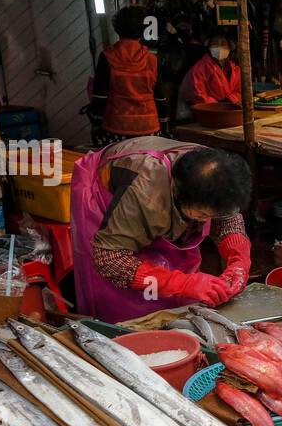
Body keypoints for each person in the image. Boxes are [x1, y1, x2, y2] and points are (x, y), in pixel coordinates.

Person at [70, 137, 253, 323]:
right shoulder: (146, 191)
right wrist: (183, 283)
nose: (206, 221)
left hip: (154, 198)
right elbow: (110, 259)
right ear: (179, 193)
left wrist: (239, 259)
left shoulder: (220, 176)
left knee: (180, 297)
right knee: (127, 306)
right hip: (109, 204)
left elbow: (227, 218)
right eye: (201, 214)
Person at [90, 6, 169, 147]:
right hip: (150, 128)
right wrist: (165, 126)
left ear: (117, 28)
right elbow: (160, 97)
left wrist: (96, 123)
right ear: (142, 30)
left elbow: (100, 97)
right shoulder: (152, 59)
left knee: (117, 167)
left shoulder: (107, 56)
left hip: (116, 128)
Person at [180, 33, 242, 107]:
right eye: (215, 44)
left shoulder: (235, 69)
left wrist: (229, 100)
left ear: (229, 47)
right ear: (209, 47)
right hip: (209, 112)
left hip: (230, 110)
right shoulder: (200, 68)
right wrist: (217, 105)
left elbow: (240, 90)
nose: (219, 47)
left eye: (223, 44)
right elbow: (197, 95)